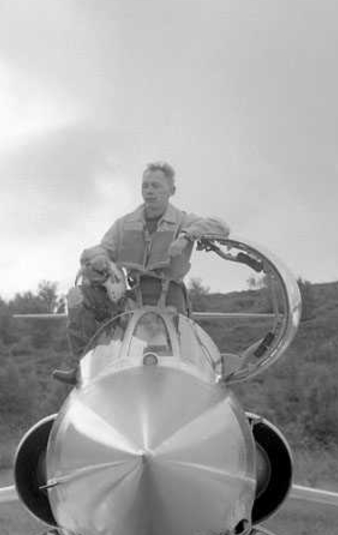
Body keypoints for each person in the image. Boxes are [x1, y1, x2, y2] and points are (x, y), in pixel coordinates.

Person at [53, 161, 228, 384]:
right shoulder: (125, 225)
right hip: (130, 303)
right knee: (77, 297)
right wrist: (98, 258)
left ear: (171, 191)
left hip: (170, 305)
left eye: (156, 186)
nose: (149, 191)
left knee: (163, 371)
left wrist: (186, 237)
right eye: (145, 186)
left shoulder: (183, 220)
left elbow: (221, 227)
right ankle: (83, 365)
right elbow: (102, 249)